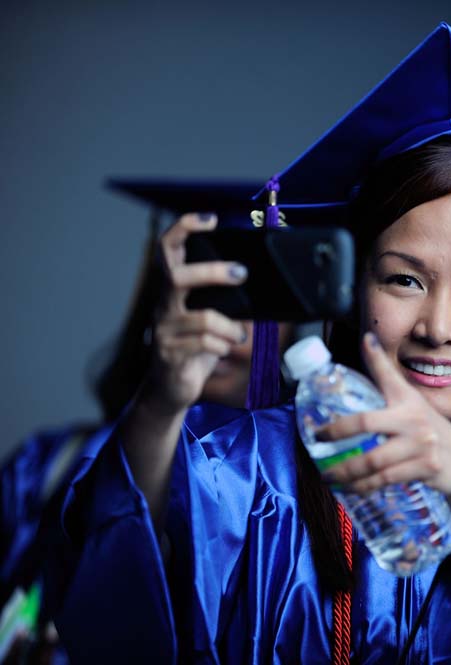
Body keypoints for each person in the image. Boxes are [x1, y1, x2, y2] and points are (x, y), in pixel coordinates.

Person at [45, 24, 451, 665]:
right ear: (350, 289)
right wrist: (161, 400)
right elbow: (120, 592)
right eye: (404, 279)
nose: (439, 325)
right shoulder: (254, 472)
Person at [0, 178, 271, 665]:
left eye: (248, 294)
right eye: (198, 288)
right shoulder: (45, 466)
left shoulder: (312, 490)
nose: (218, 322)